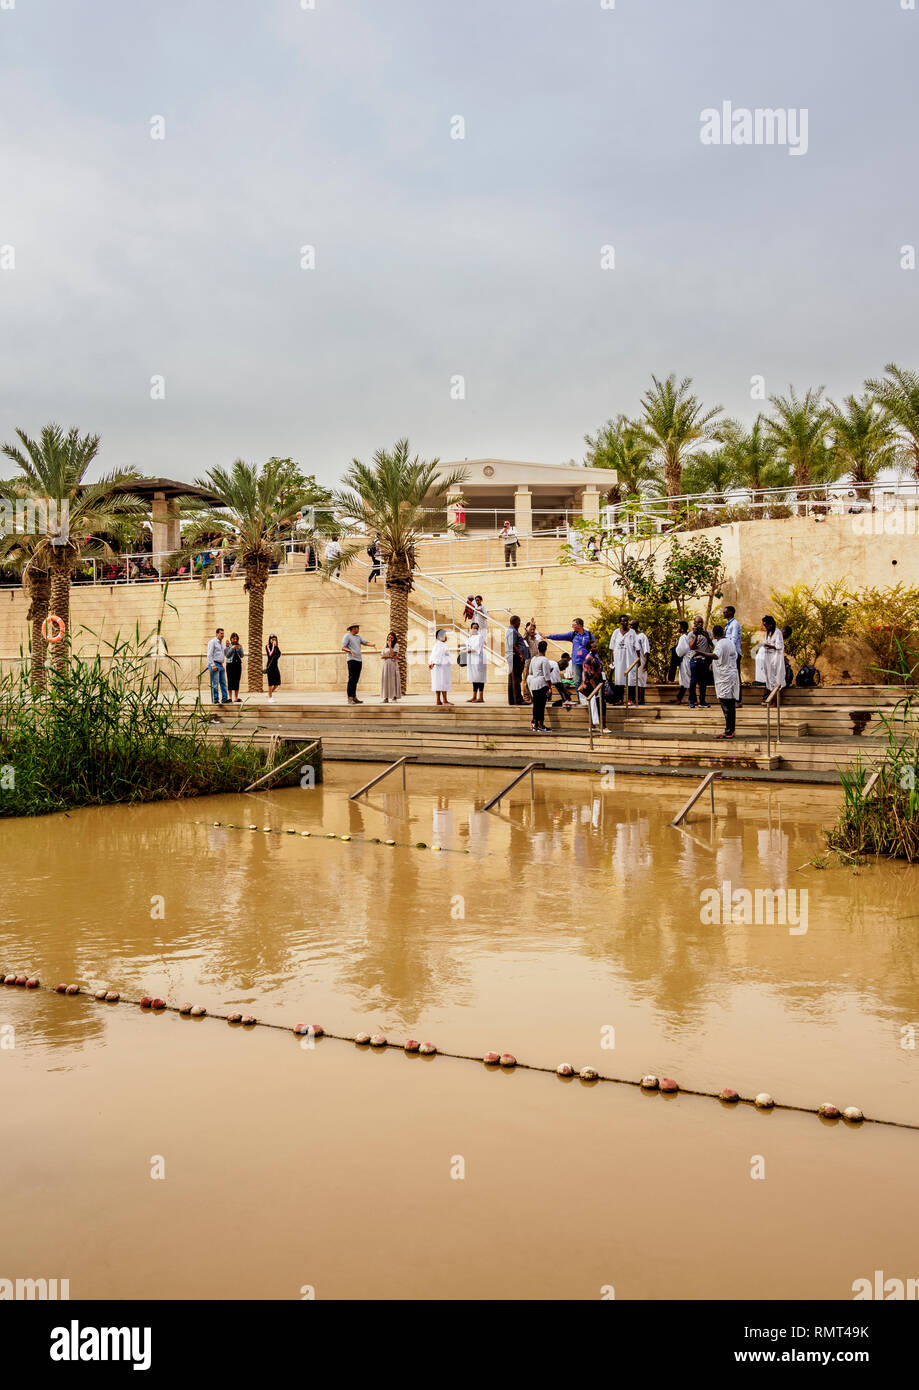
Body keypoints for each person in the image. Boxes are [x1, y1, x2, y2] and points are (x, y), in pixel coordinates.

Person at [546, 618, 593, 691]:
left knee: (588, 681)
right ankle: (581, 700)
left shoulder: (589, 634)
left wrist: (594, 658)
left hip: (586, 662)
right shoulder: (573, 634)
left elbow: (593, 647)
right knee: (577, 681)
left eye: (573, 625)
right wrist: (548, 636)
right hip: (576, 662)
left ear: (579, 625)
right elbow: (560, 636)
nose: (572, 626)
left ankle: (589, 699)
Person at [711, 623, 740, 738]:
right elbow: (734, 657)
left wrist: (699, 653)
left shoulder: (720, 644)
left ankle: (729, 731)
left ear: (714, 634)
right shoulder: (729, 642)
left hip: (724, 678)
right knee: (731, 705)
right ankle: (730, 730)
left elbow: (716, 655)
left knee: (726, 706)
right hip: (732, 676)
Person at [580, 640, 610, 734]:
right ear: (590, 649)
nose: (596, 648)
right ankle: (603, 727)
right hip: (592, 687)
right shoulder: (589, 659)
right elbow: (590, 676)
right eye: (594, 647)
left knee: (596, 705)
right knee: (600, 705)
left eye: (596, 646)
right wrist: (596, 689)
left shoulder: (594, 658)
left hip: (597, 684)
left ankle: (593, 726)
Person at [687, 616, 715, 710]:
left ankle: (702, 701)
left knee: (703, 683)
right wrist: (696, 635)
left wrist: (706, 636)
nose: (699, 624)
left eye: (701, 622)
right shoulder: (691, 634)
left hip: (705, 661)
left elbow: (713, 645)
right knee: (693, 681)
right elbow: (691, 647)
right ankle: (691, 701)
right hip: (695, 660)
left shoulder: (708, 633)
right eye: (697, 622)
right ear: (694, 623)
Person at [342, 623, 373, 703]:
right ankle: (350, 697)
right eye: (357, 628)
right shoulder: (347, 636)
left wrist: (372, 644)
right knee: (352, 679)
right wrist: (350, 651)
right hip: (351, 660)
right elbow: (343, 647)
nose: (358, 629)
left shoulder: (358, 637)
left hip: (359, 660)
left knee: (356, 679)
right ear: (353, 628)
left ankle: (354, 697)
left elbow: (365, 642)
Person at [527, 640, 554, 732]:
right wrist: (550, 687)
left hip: (533, 684)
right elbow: (547, 675)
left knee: (536, 705)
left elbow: (530, 672)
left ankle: (535, 724)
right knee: (541, 706)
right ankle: (541, 725)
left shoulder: (534, 659)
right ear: (546, 649)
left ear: (538, 648)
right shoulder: (544, 660)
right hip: (542, 684)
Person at [610, 615, 636, 705]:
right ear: (620, 622)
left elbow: (637, 648)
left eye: (626, 621)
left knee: (630, 680)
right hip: (618, 661)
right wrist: (611, 660)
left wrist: (638, 660)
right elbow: (612, 648)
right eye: (623, 621)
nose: (625, 623)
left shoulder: (632, 633)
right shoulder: (616, 632)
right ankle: (619, 699)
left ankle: (630, 700)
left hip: (630, 660)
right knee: (619, 680)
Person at [760, 616, 785, 703]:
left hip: (776, 659)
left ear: (771, 624)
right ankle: (771, 701)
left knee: (776, 679)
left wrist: (768, 645)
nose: (765, 627)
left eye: (766, 625)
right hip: (768, 659)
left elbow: (779, 646)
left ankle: (776, 702)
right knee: (770, 679)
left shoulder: (778, 633)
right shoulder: (768, 632)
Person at [505, 615, 528, 705]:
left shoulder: (511, 630)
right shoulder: (512, 631)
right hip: (515, 657)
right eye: (519, 622)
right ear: (515, 622)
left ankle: (512, 700)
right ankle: (518, 700)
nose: (519, 624)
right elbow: (512, 644)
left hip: (512, 656)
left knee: (512, 679)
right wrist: (520, 654)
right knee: (516, 679)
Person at [723, 606, 743, 707]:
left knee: (736, 677)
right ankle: (732, 698)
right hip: (730, 654)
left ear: (730, 612)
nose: (723, 613)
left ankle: (738, 700)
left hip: (734, 653)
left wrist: (729, 652)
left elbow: (734, 640)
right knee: (731, 676)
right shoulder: (729, 624)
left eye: (725, 612)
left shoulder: (734, 624)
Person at [463, 620, 487, 702]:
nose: (475, 630)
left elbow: (476, 648)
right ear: (471, 629)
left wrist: (468, 650)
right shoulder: (470, 637)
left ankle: (481, 697)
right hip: (472, 659)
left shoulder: (480, 636)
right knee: (474, 678)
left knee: (480, 678)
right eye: (473, 628)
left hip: (479, 659)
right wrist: (462, 648)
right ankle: (474, 696)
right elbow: (466, 645)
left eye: (476, 628)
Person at [429, 628, 453, 707]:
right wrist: (434, 663)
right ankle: (445, 701)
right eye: (445, 635)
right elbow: (438, 655)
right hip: (441, 667)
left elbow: (433, 655)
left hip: (438, 666)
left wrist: (431, 663)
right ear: (440, 637)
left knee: (438, 683)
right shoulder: (441, 645)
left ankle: (438, 700)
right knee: (442, 683)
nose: (446, 637)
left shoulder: (437, 645)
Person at [629, 618, 650, 705]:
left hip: (641, 660)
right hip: (631, 661)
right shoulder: (629, 636)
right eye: (630, 625)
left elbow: (646, 650)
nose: (630, 626)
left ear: (637, 626)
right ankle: (634, 699)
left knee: (641, 679)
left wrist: (646, 663)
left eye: (632, 625)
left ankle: (641, 699)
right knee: (633, 680)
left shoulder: (642, 636)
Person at [206, 628, 229, 705]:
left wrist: (227, 647)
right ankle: (215, 700)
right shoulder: (213, 642)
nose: (223, 635)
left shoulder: (221, 644)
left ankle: (224, 699)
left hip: (221, 665)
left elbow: (225, 654)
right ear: (217, 634)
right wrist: (212, 665)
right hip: (215, 664)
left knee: (223, 682)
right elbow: (209, 654)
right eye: (221, 633)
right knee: (215, 683)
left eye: (223, 633)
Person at [673, 620, 692, 704]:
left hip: (685, 660)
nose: (677, 629)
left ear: (682, 628)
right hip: (688, 659)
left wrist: (676, 646)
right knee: (686, 680)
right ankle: (679, 698)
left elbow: (680, 651)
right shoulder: (688, 636)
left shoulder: (683, 637)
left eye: (678, 627)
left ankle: (692, 699)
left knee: (686, 680)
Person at [381, 630, 401, 702]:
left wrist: (390, 646)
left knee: (393, 679)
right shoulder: (384, 645)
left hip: (393, 664)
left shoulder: (396, 645)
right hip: (386, 665)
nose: (390, 639)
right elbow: (382, 656)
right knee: (385, 680)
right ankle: (385, 697)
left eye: (391, 638)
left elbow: (393, 654)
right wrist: (390, 656)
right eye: (389, 638)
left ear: (394, 638)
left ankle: (394, 697)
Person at [225, 632, 244, 702]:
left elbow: (242, 655)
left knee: (237, 681)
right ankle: (230, 697)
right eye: (234, 639)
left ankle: (236, 698)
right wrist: (232, 648)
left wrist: (240, 649)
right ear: (231, 639)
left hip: (238, 665)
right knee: (230, 681)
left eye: (236, 639)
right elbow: (227, 655)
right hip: (230, 665)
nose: (235, 640)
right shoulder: (228, 646)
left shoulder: (239, 646)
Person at [264, 634, 281, 700]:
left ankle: (269, 693)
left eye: (275, 639)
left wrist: (275, 647)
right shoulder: (267, 646)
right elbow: (270, 654)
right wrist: (273, 646)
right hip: (270, 666)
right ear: (270, 640)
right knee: (270, 683)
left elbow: (279, 654)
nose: (274, 640)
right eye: (272, 639)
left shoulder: (276, 647)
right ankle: (270, 697)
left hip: (275, 666)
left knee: (277, 683)